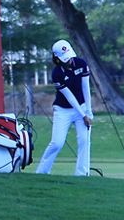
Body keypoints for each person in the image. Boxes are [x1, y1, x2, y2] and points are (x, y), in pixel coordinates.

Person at [35, 39, 94, 177]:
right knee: (57, 143)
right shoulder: (56, 73)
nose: (69, 61)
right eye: (64, 58)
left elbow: (86, 88)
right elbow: (70, 97)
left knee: (84, 140)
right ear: (57, 58)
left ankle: (82, 174)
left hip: (83, 107)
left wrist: (88, 111)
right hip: (63, 110)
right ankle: (42, 172)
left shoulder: (81, 64)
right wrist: (83, 115)